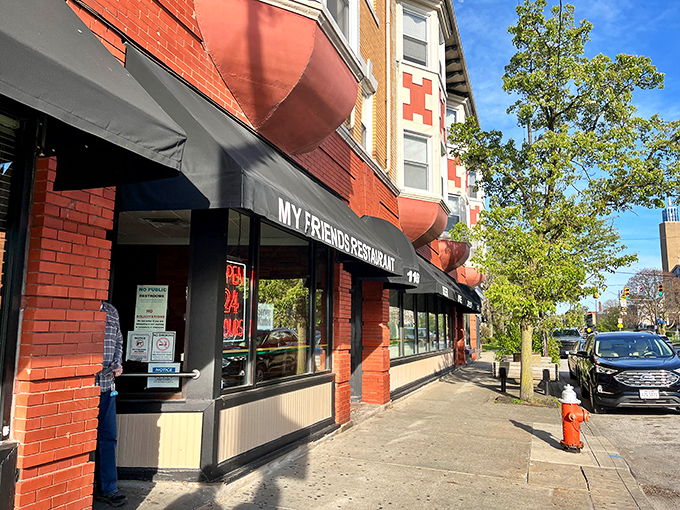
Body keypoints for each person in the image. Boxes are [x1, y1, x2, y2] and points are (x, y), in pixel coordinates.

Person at [94, 302, 128, 507]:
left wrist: (118, 362)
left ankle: (108, 488)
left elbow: (119, 341)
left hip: (107, 386)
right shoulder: (81, 306)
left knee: (108, 438)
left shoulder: (111, 311)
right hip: (86, 388)